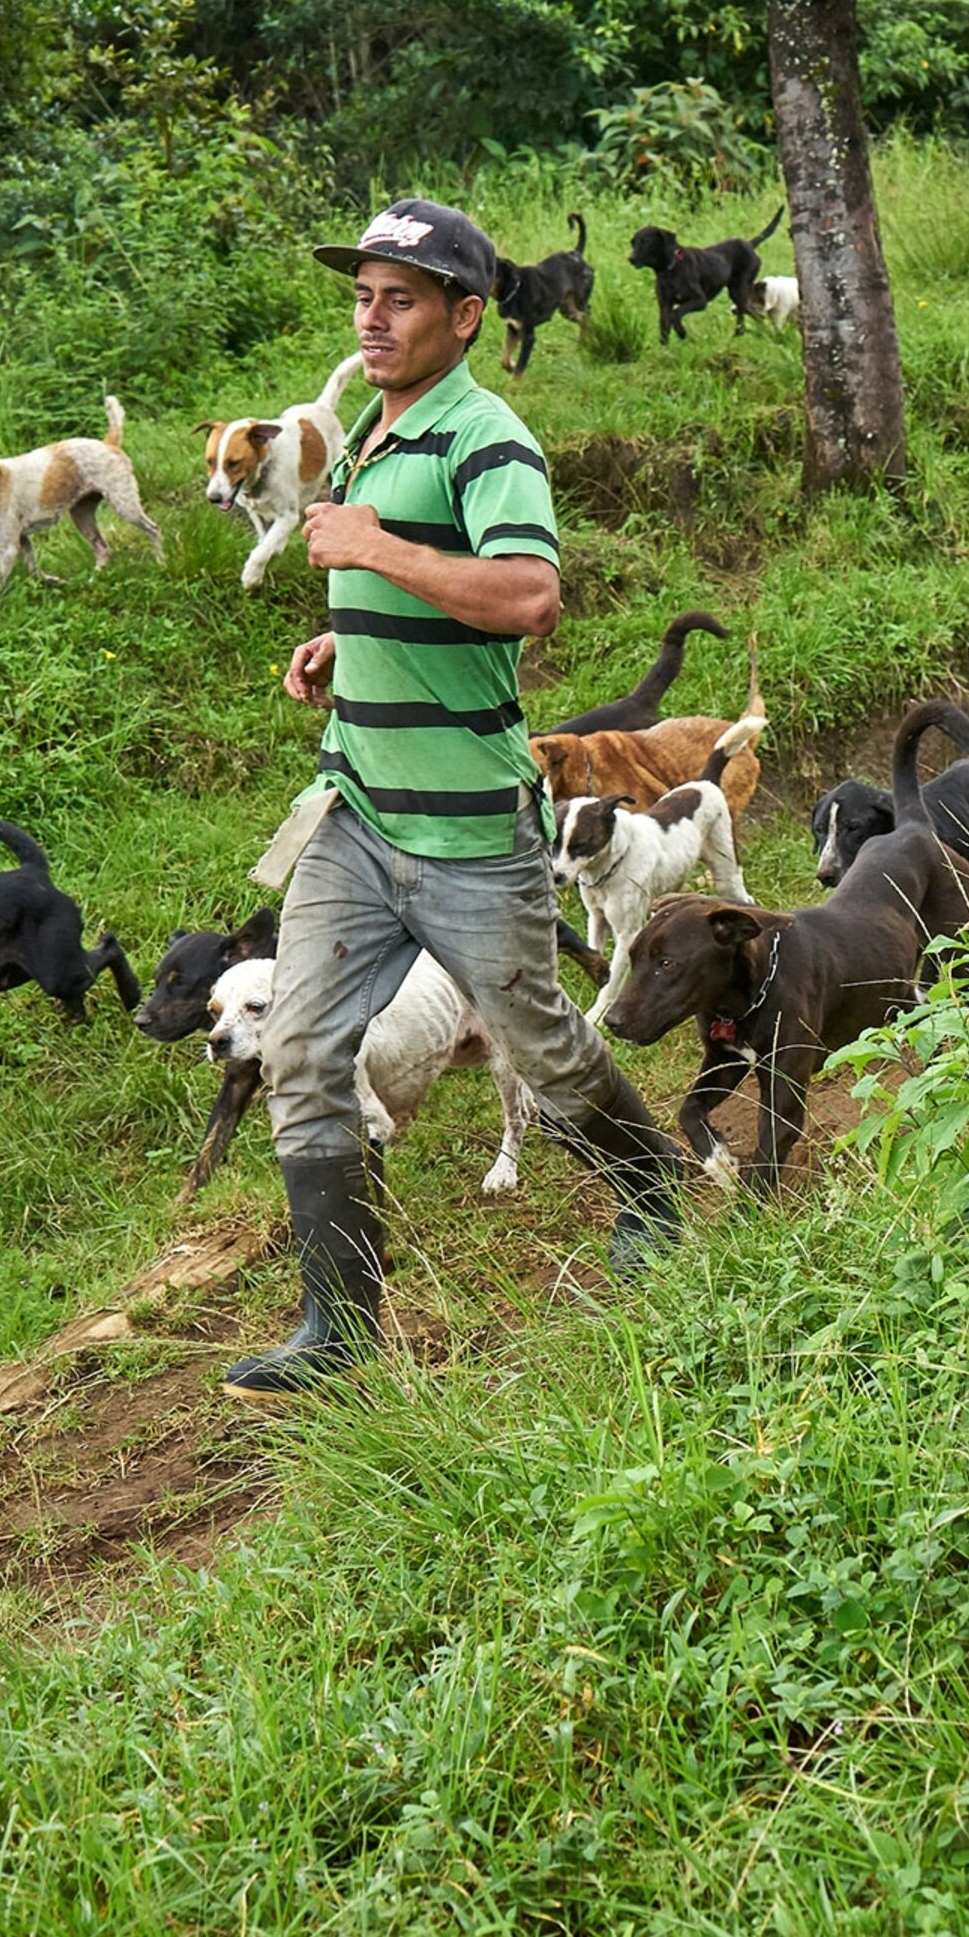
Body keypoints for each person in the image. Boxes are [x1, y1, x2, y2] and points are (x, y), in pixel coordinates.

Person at [228, 198, 684, 1398]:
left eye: (403, 299)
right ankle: (340, 1330)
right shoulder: (378, 434)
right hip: (357, 810)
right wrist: (348, 648)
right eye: (364, 297)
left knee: (537, 1037)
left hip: (473, 835)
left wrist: (373, 555)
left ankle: (655, 1187)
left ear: (466, 316)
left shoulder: (488, 437)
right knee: (302, 1051)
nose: (373, 321)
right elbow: (416, 592)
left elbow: (528, 597)